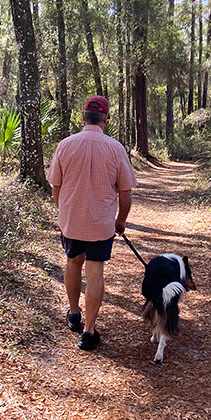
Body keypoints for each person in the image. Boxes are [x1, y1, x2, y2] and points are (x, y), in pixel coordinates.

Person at [48, 95, 137, 350]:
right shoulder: (115, 148)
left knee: (73, 262)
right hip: (101, 225)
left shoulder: (65, 145)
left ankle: (74, 314)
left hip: (72, 221)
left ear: (83, 116)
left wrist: (64, 212)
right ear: (106, 118)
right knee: (95, 270)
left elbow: (56, 186)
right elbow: (125, 192)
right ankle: (88, 331)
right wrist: (120, 221)